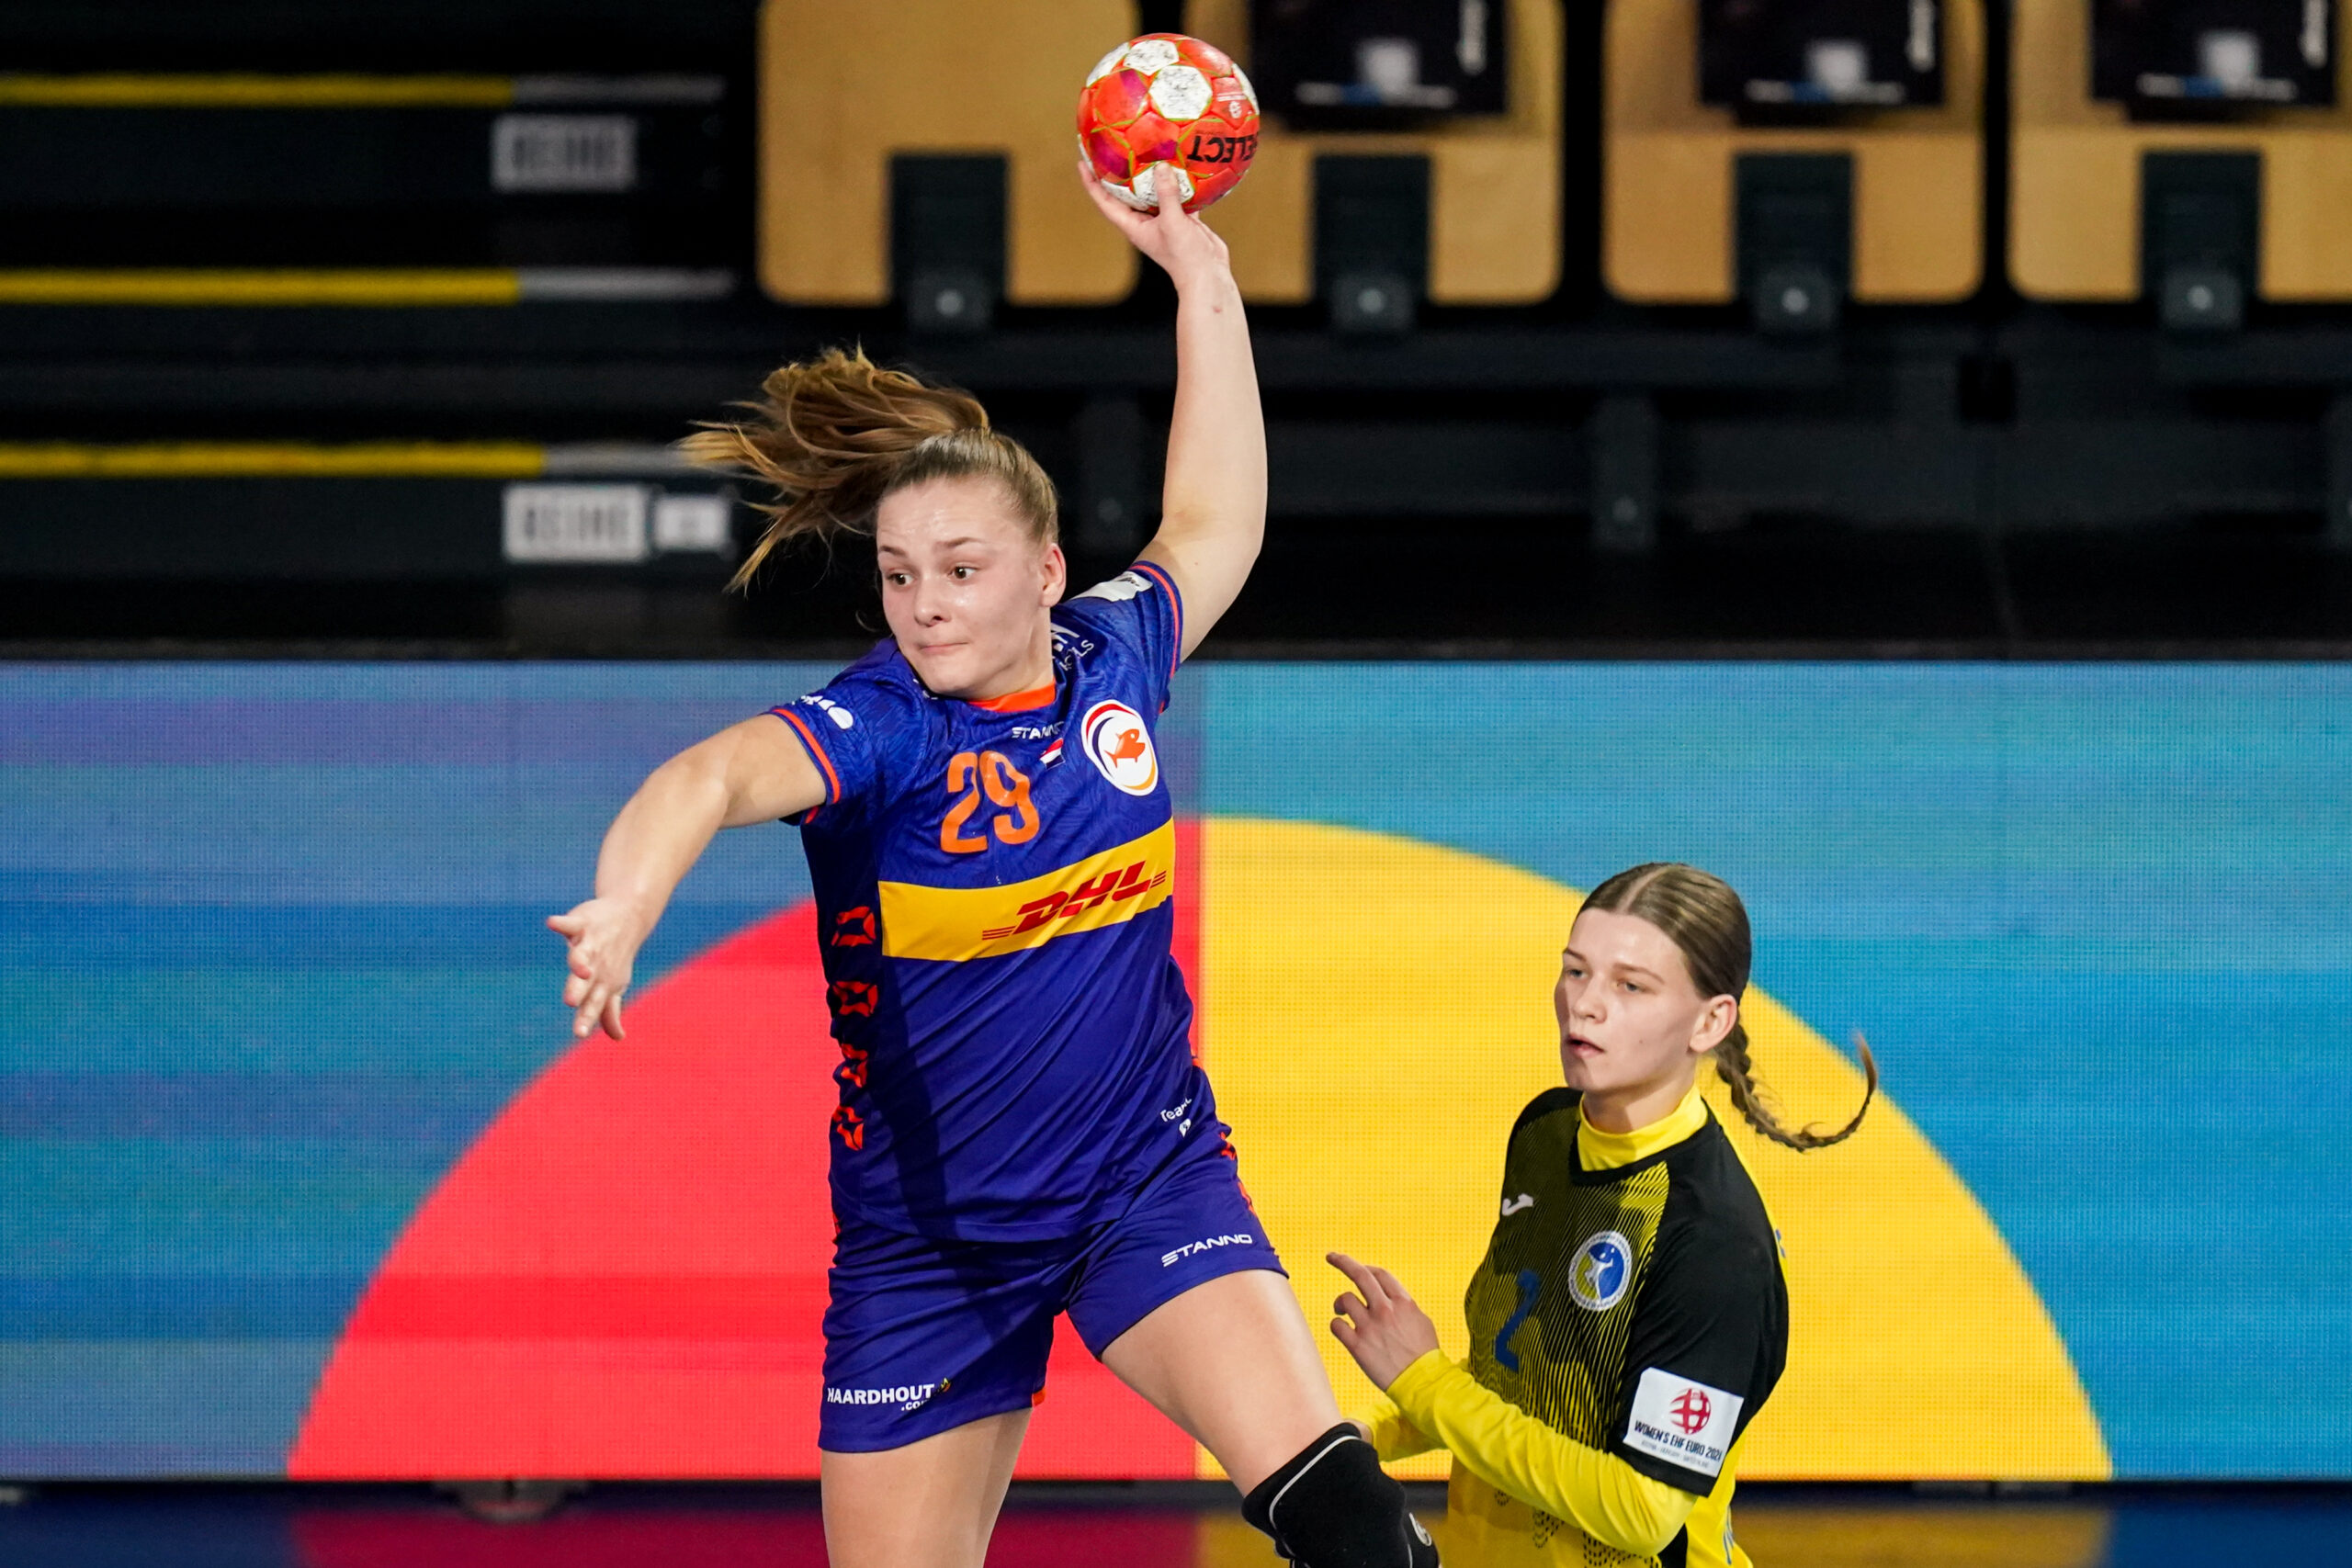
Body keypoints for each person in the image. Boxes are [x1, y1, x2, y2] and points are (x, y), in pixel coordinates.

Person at [547, 162, 1436, 1568]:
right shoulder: (880, 728)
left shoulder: (1115, 656)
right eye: (900, 573)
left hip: (1144, 1184)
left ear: (1047, 573)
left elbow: (1216, 520)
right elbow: (704, 777)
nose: (924, 605)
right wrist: (627, 897)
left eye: (961, 570)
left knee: (1361, 1532)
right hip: (930, 1245)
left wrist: (1201, 275)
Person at [1326, 863, 1874, 1568]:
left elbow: (1642, 1510)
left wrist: (1425, 1381)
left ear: (1710, 1021)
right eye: (1575, 970)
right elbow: (1523, 1375)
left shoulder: (1714, 1237)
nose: (1584, 1004)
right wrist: (1367, 1429)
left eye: (1630, 985)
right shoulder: (1546, 1131)